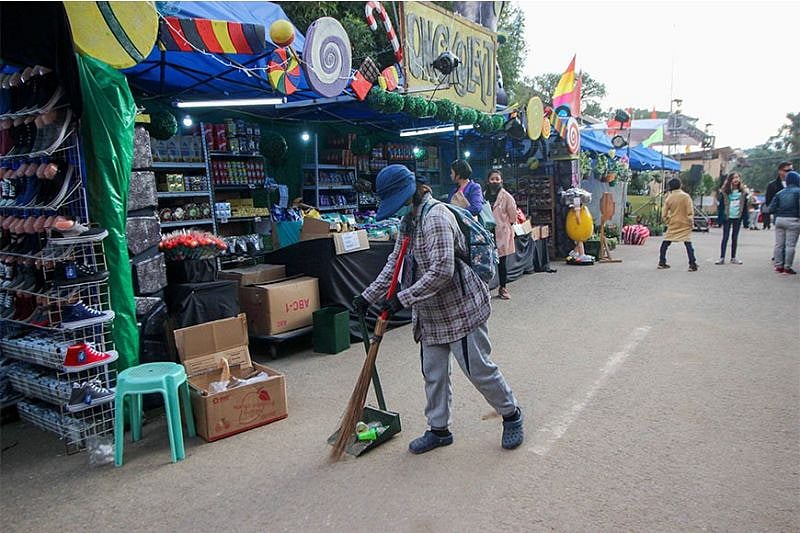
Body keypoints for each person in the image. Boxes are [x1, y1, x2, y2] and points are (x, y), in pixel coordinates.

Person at [352, 164, 524, 454]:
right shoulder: (408, 222)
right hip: (431, 311)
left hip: (461, 307)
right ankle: (439, 430)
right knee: (433, 373)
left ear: (410, 195)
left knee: (478, 369)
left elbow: (442, 271)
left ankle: (511, 414)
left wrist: (402, 299)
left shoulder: (437, 218)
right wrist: (366, 297)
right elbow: (394, 264)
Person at [485, 170, 517, 299]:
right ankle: (485, 289)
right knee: (486, 261)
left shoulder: (507, 197)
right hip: (487, 232)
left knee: (501, 262)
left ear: (501, 181)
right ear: (488, 181)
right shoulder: (483, 195)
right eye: (492, 179)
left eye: (497, 179)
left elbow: (513, 216)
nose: (494, 181)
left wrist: (504, 225)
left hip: (501, 233)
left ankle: (503, 288)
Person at [659, 177, 698, 271]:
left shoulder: (669, 198)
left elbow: (664, 213)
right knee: (687, 243)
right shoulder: (686, 196)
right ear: (680, 185)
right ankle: (692, 264)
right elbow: (690, 211)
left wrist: (668, 221)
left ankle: (662, 261)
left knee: (666, 242)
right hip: (685, 223)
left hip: (673, 222)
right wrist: (691, 222)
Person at [767, 170, 800, 274]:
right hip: (793, 220)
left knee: (779, 244)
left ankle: (778, 266)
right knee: (790, 245)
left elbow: (771, 208)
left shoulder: (779, 193)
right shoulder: (799, 192)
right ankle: (787, 267)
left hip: (780, 220)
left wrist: (779, 212)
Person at [715, 172, 746, 265]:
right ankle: (722, 257)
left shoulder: (743, 192)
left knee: (735, 237)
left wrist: (746, 220)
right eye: (733, 178)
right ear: (730, 180)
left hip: (737, 217)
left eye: (737, 177)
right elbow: (720, 207)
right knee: (725, 236)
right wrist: (720, 219)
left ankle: (733, 257)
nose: (736, 179)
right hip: (727, 216)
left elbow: (745, 207)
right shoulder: (725, 192)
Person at [764, 161, 792, 229]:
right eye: (787, 170)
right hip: (779, 215)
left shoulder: (797, 184)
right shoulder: (772, 185)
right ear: (780, 171)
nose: (790, 172)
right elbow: (768, 201)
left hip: (794, 215)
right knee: (780, 238)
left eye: (791, 170)